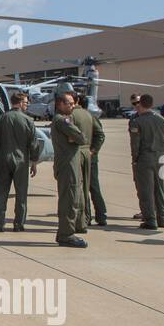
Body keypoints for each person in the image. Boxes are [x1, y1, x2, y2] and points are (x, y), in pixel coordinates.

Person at [0, 91, 39, 231]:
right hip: (21, 161)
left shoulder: (1, 119)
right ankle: (19, 224)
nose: (27, 105)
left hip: (2, 160)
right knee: (21, 193)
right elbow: (33, 143)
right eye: (26, 103)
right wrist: (34, 162)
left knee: (0, 193)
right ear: (20, 103)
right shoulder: (28, 120)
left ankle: (0, 223)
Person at [131, 93, 164, 230]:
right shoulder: (161, 119)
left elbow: (135, 144)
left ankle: (150, 220)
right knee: (160, 189)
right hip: (161, 158)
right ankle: (163, 218)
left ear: (140, 104)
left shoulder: (136, 122)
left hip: (145, 159)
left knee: (146, 191)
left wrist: (135, 160)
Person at [51, 91, 89, 248]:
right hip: (68, 166)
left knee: (72, 198)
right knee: (70, 200)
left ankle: (65, 232)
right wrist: (76, 136)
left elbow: (78, 137)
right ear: (60, 104)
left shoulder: (64, 120)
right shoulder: (62, 121)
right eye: (69, 103)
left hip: (69, 164)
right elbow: (81, 138)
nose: (73, 106)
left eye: (73, 103)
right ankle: (66, 234)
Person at [65, 84, 97, 236]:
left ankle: (81, 220)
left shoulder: (71, 116)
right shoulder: (88, 114)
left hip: (76, 152)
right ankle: (87, 218)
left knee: (76, 188)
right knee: (86, 187)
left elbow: (71, 137)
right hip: (87, 152)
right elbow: (100, 134)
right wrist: (92, 150)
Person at [87, 105, 108, 226]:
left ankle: (100, 215)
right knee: (89, 188)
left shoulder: (90, 118)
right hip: (88, 157)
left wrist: (93, 150)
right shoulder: (91, 118)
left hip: (90, 158)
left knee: (92, 188)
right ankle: (91, 216)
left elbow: (100, 135)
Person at [126, 93, 143, 221]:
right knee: (139, 185)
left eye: (138, 102)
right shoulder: (133, 119)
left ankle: (155, 212)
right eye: (134, 103)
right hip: (137, 157)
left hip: (150, 156)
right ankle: (145, 210)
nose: (136, 105)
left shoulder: (154, 117)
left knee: (155, 187)